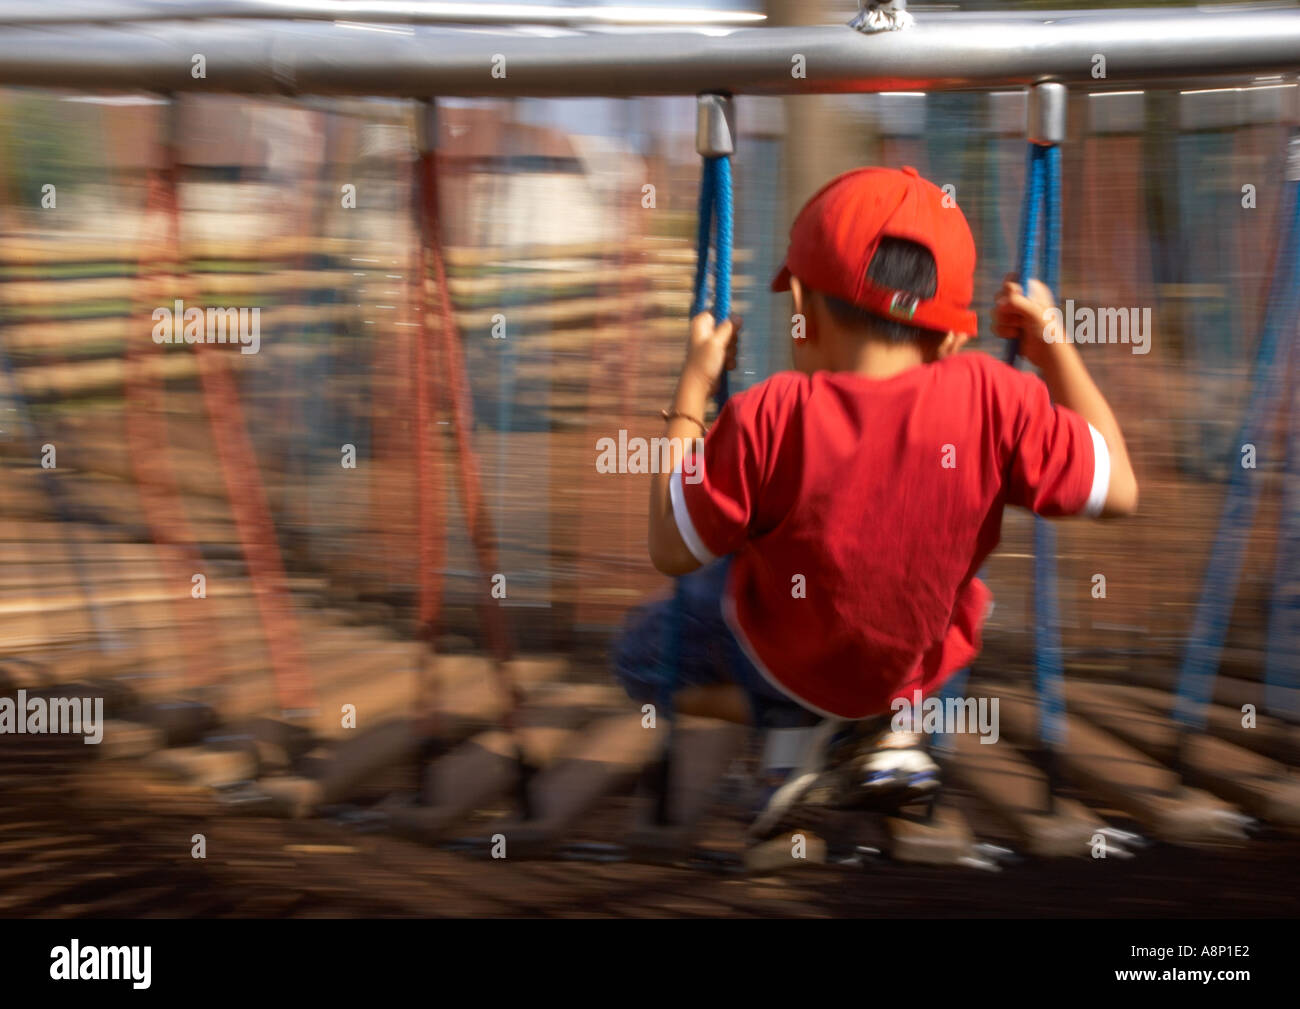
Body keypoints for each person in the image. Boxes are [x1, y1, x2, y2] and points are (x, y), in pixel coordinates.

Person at [614, 165, 1138, 839]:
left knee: (641, 649)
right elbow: (1119, 485)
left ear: (800, 310)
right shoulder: (995, 397)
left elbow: (670, 545)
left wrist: (690, 392)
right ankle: (891, 730)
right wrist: (1052, 347)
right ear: (952, 337)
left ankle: (792, 727)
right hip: (909, 665)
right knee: (960, 598)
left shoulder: (772, 413)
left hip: (783, 659)